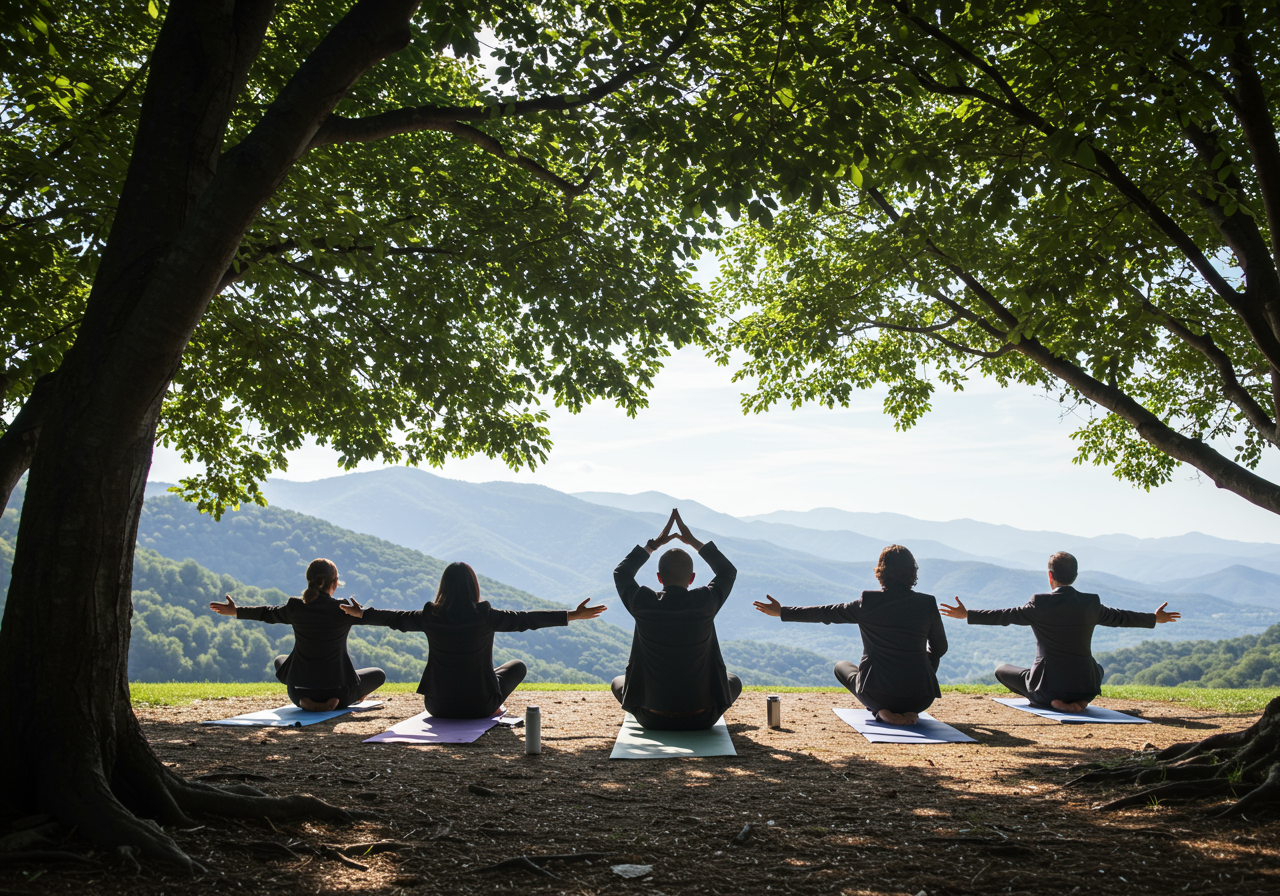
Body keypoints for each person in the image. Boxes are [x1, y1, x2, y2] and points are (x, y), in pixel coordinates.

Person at [341, 561, 605, 718]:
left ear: (443, 587)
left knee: (503, 670)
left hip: (437, 705)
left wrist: (362, 614)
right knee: (517, 666)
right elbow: (526, 619)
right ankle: (494, 708)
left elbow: (394, 618)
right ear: (473, 587)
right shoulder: (485, 615)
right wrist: (572, 615)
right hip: (480, 705)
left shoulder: (430, 615)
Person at [940, 551, 1180, 713]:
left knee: (1002, 670)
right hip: (1085, 685)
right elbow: (1121, 618)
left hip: (1048, 688)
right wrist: (1154, 618)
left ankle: (1051, 702)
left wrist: (967, 614)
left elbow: (1005, 615)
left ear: (1050, 576)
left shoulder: (1039, 603)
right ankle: (1081, 701)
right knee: (1097, 668)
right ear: (1075, 576)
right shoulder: (1091, 603)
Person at [754, 544, 946, 726]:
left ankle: (879, 711)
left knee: (841, 667)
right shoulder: (927, 603)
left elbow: (826, 612)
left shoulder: (868, 603)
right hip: (920, 698)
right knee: (931, 658)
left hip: (877, 695)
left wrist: (783, 612)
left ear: (881, 572)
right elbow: (940, 649)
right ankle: (909, 711)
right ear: (913, 572)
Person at [611, 509, 740, 731]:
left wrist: (653, 545)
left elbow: (621, 573)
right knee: (733, 681)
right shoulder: (705, 601)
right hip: (702, 718)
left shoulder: (642, 601)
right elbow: (727, 571)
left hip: (651, 717)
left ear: (659, 578)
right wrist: (693, 542)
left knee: (617, 682)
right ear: (692, 579)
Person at [210, 558, 386, 712]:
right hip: (338, 692)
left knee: (280, 660)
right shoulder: (343, 609)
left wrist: (236, 611)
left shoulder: (296, 606)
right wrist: (361, 611)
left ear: (309, 581)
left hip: (299, 692)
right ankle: (341, 700)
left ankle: (308, 703)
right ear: (335, 583)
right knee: (378, 674)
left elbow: (267, 613)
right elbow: (374, 618)